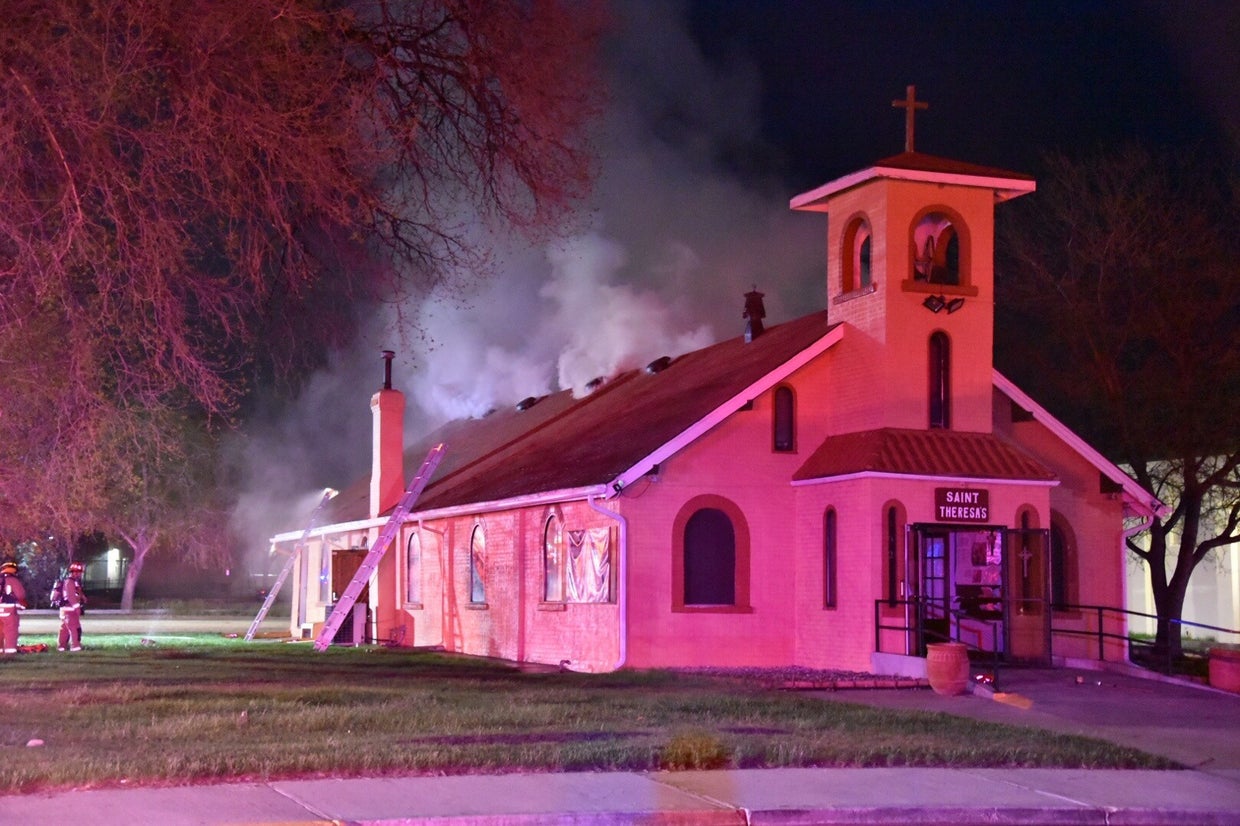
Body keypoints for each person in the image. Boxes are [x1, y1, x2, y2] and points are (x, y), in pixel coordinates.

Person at [57, 561, 87, 652]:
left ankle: (61, 647)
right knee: (75, 628)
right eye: (78, 572)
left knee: (65, 629)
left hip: (66, 609)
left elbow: (77, 593)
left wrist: (83, 598)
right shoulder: (70, 582)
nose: (79, 574)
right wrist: (77, 607)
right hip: (70, 609)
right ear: (73, 572)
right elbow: (71, 596)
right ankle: (75, 646)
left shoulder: (73, 582)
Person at [0, 560, 28, 654]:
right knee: (11, 630)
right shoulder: (13, 580)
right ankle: (10, 653)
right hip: (9, 609)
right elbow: (20, 595)